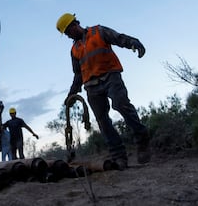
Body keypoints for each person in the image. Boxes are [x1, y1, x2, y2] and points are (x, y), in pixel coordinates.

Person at [56, 13, 151, 170]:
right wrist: (71, 95)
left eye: (68, 31)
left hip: (110, 77)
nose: (68, 36)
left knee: (121, 105)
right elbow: (78, 74)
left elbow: (118, 38)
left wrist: (134, 43)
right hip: (91, 87)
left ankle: (142, 139)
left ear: (75, 24)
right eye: (65, 34)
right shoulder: (74, 50)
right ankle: (119, 157)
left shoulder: (98, 32)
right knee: (102, 121)